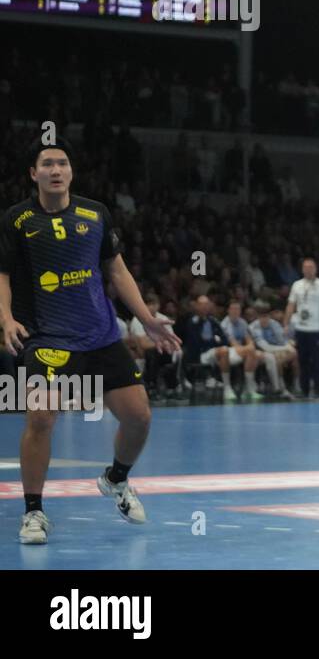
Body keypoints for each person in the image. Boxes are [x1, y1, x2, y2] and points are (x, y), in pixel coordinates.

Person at [0, 139, 182, 544]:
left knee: (139, 417)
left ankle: (115, 479)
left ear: (71, 171)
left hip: (100, 336)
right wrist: (6, 318)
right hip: (46, 337)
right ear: (34, 174)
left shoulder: (95, 213)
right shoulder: (16, 220)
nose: (55, 169)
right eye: (46, 163)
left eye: (62, 162)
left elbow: (116, 272)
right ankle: (33, 513)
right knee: (42, 417)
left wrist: (146, 319)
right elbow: (3, 274)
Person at [284, 257, 319, 400]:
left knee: (318, 360)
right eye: (305, 267)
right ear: (302, 269)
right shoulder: (297, 285)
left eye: (311, 267)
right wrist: (286, 323)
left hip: (317, 329)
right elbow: (291, 305)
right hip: (301, 329)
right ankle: (304, 390)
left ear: (316, 269)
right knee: (302, 360)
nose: (308, 270)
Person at [249, 302, 297, 398]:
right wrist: (285, 348)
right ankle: (279, 388)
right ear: (258, 317)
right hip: (261, 353)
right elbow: (266, 347)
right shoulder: (253, 327)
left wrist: (288, 346)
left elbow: (282, 341)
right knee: (274, 358)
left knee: (294, 353)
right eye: (262, 316)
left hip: (278, 350)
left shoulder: (274, 324)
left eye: (266, 316)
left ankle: (297, 385)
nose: (264, 319)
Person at [220, 299, 264, 399]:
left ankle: (247, 388)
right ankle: (250, 387)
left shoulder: (242, 322)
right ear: (228, 310)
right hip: (229, 352)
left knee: (257, 354)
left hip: (243, 351)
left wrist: (250, 347)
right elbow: (233, 343)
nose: (236, 311)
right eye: (233, 309)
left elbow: (248, 339)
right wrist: (249, 349)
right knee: (252, 352)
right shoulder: (224, 324)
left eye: (238, 309)